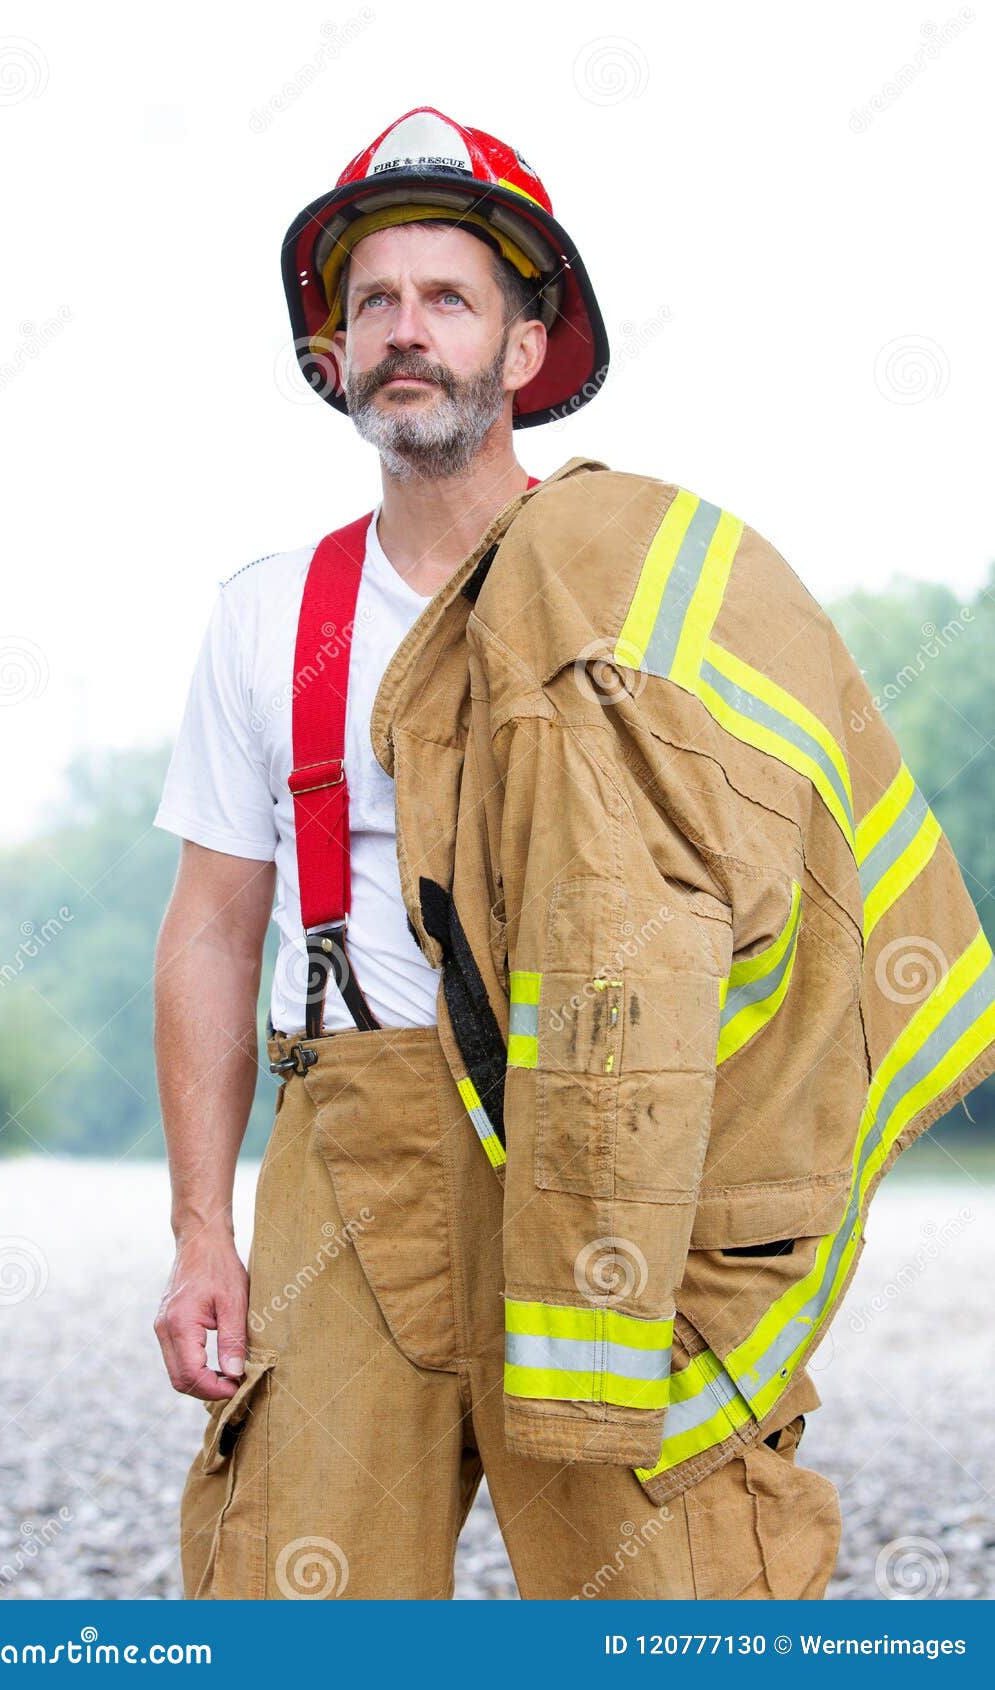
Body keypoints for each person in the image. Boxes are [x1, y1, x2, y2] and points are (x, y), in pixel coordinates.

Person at [151, 106, 988, 1601]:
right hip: (353, 1144)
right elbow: (213, 928)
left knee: (675, 1593)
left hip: (603, 1141)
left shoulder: (645, 591)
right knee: (298, 1601)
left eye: (450, 299)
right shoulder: (266, 616)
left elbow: (788, 850)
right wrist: (203, 1230)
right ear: (334, 355)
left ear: (522, 351)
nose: (408, 332)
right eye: (375, 305)